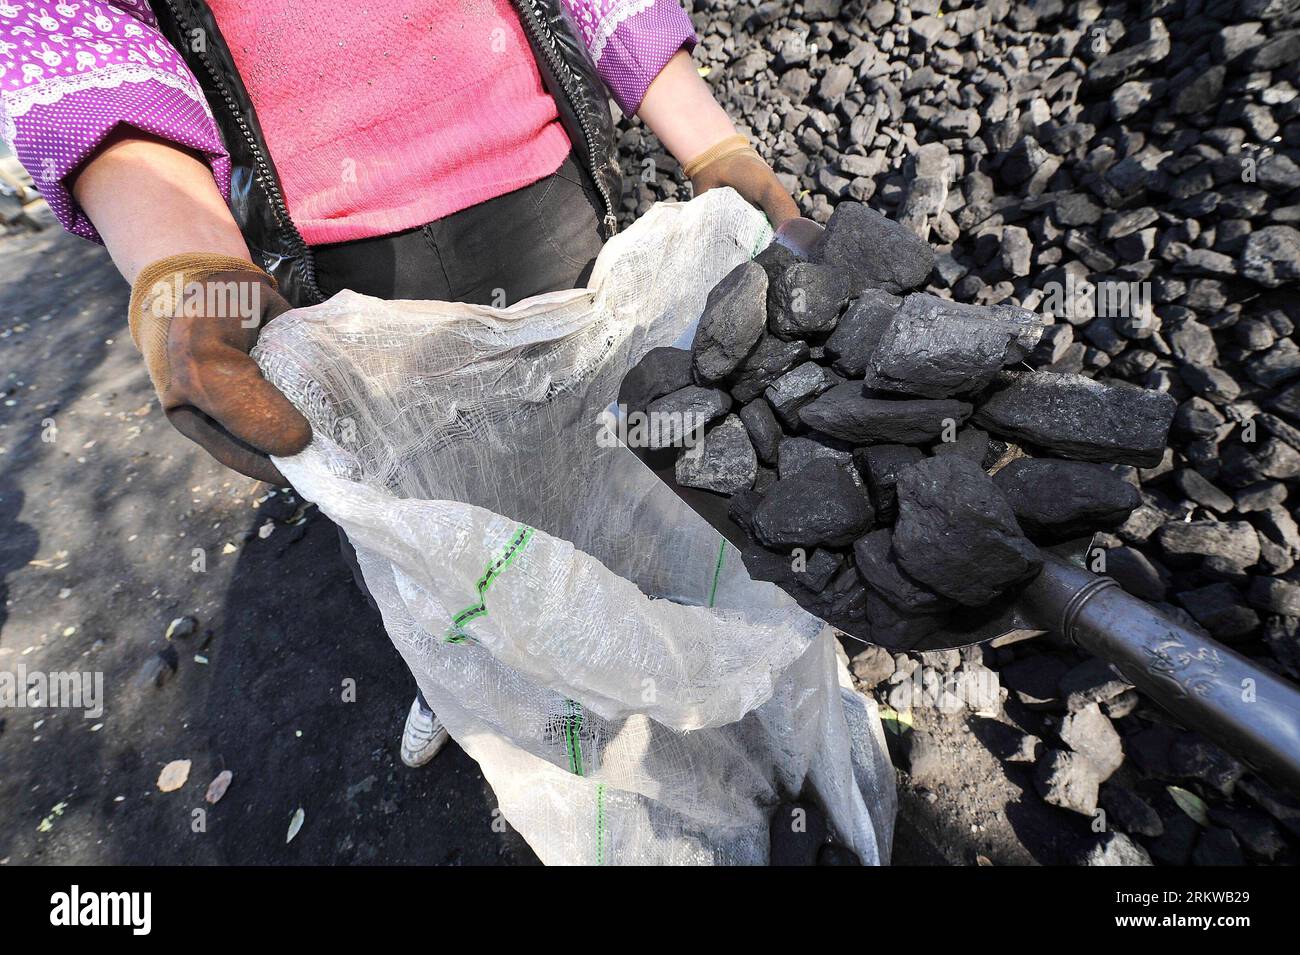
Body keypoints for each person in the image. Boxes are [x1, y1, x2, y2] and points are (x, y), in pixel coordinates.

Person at [1, 0, 799, 767]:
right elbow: (77, 25)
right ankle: (466, 680)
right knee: (409, 509)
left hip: (542, 202)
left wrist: (711, 145)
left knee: (591, 459)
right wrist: (184, 259)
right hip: (327, 265)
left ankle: (625, 654)